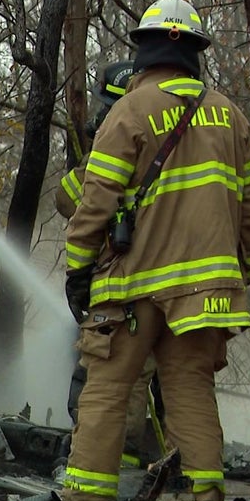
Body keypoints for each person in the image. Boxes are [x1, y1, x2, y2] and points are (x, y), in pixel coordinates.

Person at [62, 0, 250, 501]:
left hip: (133, 287)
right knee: (191, 386)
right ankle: (205, 500)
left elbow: (96, 200)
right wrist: (237, 273)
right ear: (194, 51)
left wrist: (78, 268)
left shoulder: (130, 110)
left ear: (144, 52)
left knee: (107, 387)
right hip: (206, 295)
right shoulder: (231, 116)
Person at [58, 60, 158, 470]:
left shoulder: (122, 138)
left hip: (126, 285)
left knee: (117, 375)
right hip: (177, 288)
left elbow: (68, 200)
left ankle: (113, 465)